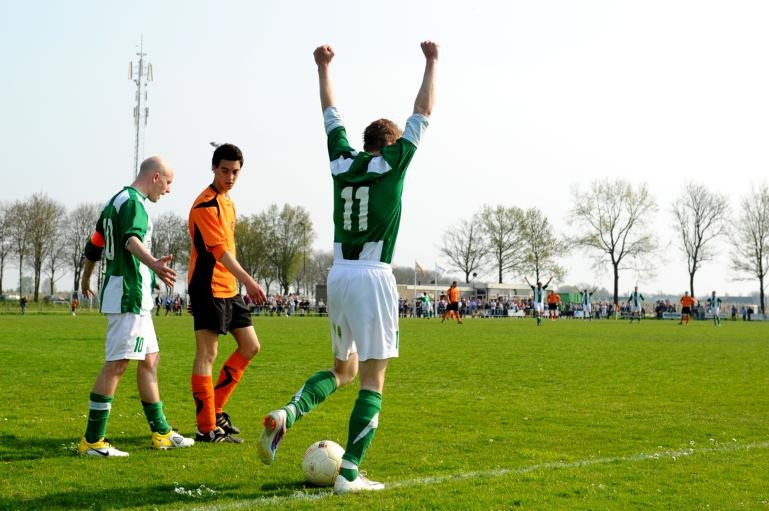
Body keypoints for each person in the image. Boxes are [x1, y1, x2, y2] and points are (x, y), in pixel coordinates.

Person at [257, 41, 438, 494]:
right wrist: (432, 62)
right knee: (373, 378)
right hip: (374, 277)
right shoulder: (394, 162)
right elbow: (423, 111)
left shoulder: (341, 161)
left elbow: (330, 112)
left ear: (364, 142)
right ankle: (350, 474)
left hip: (337, 275)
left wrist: (323, 67)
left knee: (343, 370)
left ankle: (287, 414)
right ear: (391, 144)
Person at [78, 156, 194, 457]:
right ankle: (93, 441)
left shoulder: (114, 201)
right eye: (167, 183)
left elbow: (95, 244)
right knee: (117, 364)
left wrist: (86, 277)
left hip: (135, 296)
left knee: (150, 360)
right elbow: (130, 240)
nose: (167, 190)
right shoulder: (134, 203)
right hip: (128, 293)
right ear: (155, 177)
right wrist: (154, 263)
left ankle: (161, 433)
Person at [188, 143, 267, 444]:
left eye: (235, 172)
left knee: (250, 346)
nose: (230, 177)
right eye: (224, 171)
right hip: (207, 287)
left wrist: (240, 283)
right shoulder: (205, 205)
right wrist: (249, 280)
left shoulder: (228, 202)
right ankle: (206, 427)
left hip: (229, 288)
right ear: (213, 168)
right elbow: (220, 252)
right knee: (207, 354)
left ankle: (216, 408)